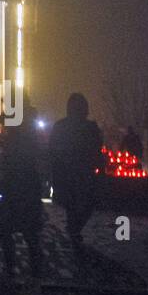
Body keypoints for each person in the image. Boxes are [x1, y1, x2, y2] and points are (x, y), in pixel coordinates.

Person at [49, 93, 104, 263]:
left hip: (77, 173)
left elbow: (97, 150)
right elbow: (54, 152)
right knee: (77, 206)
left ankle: (73, 231)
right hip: (74, 174)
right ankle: (74, 233)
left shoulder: (81, 128)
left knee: (80, 206)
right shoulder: (70, 127)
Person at [0, 105, 44, 290]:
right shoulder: (27, 137)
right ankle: (33, 275)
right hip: (26, 189)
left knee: (8, 228)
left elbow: (7, 165)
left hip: (16, 189)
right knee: (29, 233)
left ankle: (13, 270)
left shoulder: (14, 140)